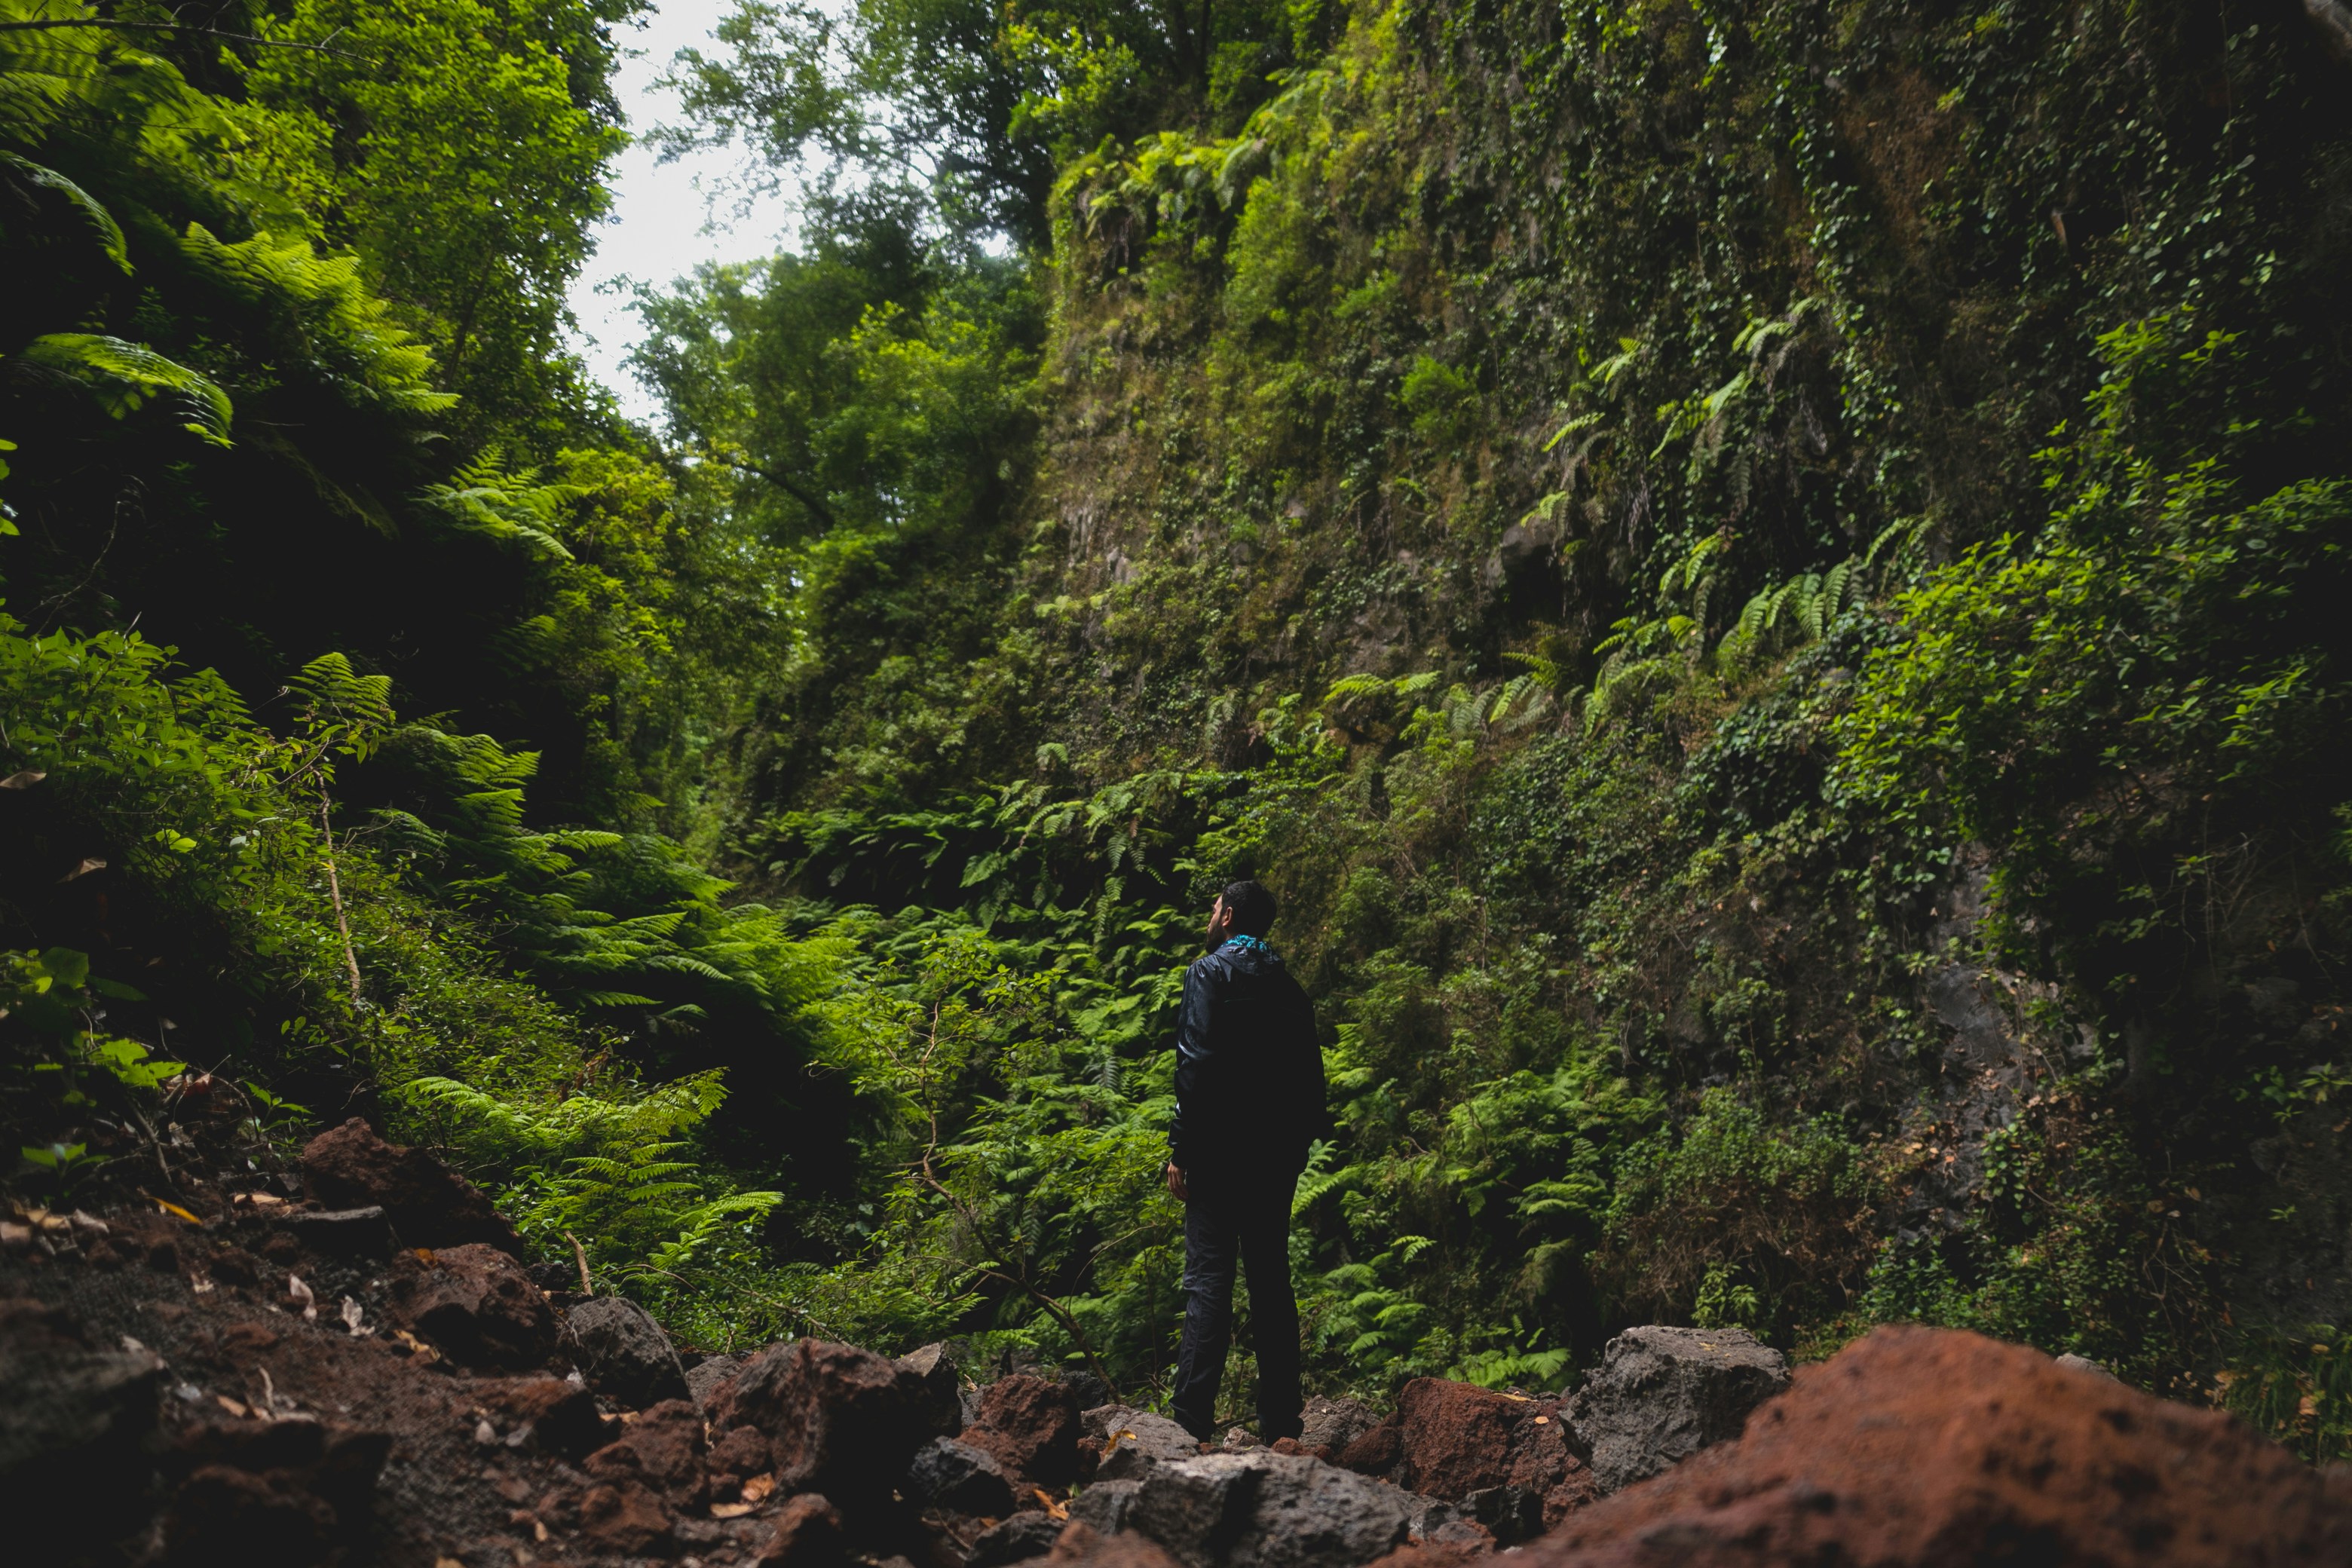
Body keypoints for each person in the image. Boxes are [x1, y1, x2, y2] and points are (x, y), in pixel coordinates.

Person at [1165, 878, 1329, 1443]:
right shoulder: (1290, 988)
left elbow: (1196, 1063)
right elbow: (1312, 1080)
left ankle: (1189, 1426)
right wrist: (1298, 1146)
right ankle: (1281, 1423)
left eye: (1214, 908)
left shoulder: (1208, 973)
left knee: (1210, 1279)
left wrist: (1182, 1147)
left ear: (1229, 916)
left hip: (1217, 1152)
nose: (1210, 917)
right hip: (1275, 1158)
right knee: (1270, 1281)